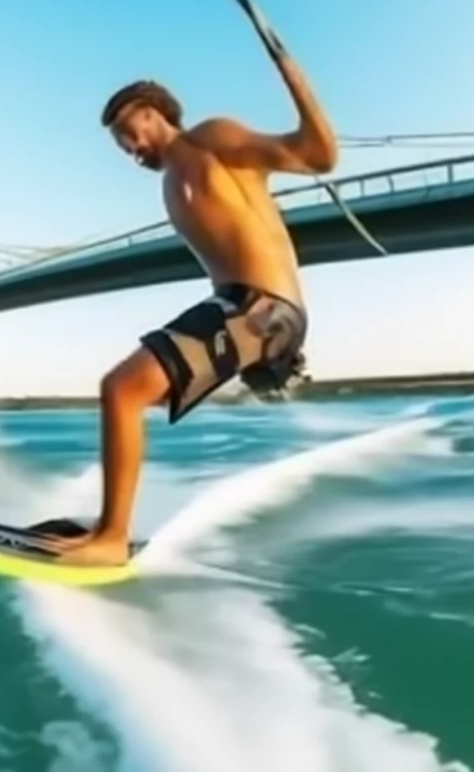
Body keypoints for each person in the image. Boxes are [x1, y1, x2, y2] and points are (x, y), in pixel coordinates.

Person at [48, 45, 338, 566]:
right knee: (136, 395)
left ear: (150, 114)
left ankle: (111, 538)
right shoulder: (168, 187)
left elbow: (320, 156)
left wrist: (289, 72)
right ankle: (112, 525)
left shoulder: (212, 138)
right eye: (122, 148)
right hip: (240, 310)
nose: (130, 152)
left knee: (120, 389)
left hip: (263, 310)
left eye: (128, 137)